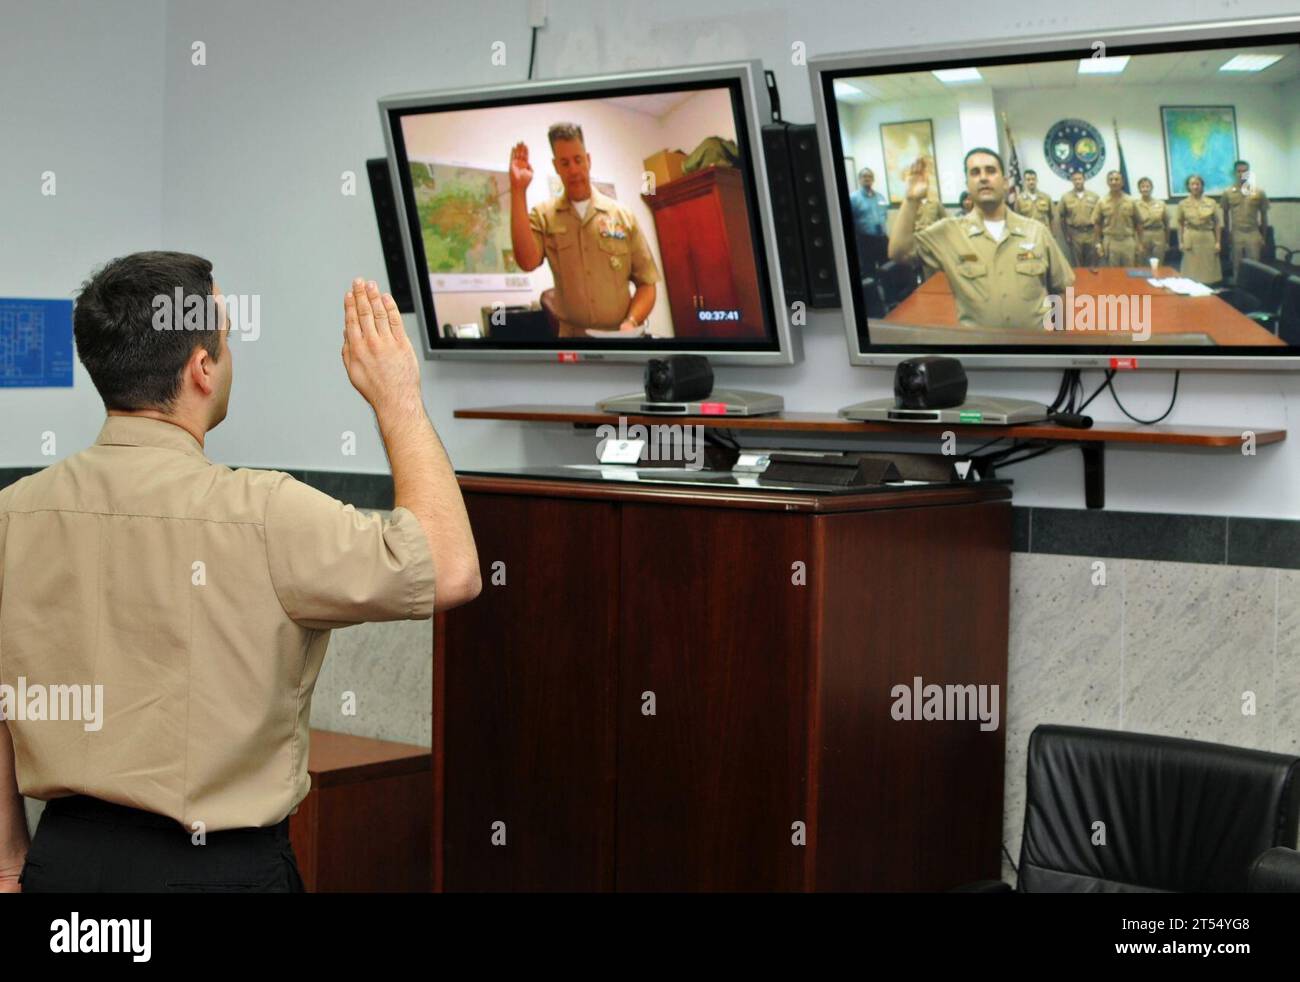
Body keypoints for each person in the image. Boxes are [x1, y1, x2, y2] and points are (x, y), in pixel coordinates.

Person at [0, 254, 482, 893]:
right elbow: (451, 570)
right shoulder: (265, 512)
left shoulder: (14, 514)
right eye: (225, 343)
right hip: (218, 877)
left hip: (65, 871)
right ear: (203, 368)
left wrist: (9, 865)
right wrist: (397, 399)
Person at [887, 147, 1074, 330]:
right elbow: (898, 252)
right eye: (975, 173)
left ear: (1005, 182)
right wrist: (911, 200)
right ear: (967, 184)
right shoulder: (948, 233)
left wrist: (1058, 343)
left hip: (1036, 349)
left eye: (991, 171)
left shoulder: (1036, 231)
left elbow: (1061, 289)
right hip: (980, 354)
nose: (983, 177)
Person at [509, 123, 659, 338]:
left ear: (588, 160)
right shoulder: (544, 216)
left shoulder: (623, 216)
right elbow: (527, 261)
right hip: (573, 343)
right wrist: (518, 190)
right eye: (564, 163)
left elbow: (647, 283)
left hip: (621, 337)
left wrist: (632, 321)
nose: (573, 170)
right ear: (556, 166)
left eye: (578, 160)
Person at [1220, 159, 1269, 282]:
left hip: (1253, 233)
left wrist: (1263, 236)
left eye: (1245, 171)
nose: (1241, 174)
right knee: (1237, 265)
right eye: (1239, 171)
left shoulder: (1259, 192)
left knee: (1255, 266)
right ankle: (1239, 293)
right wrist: (1228, 234)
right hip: (1237, 233)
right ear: (1234, 173)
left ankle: (1254, 293)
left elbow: (1264, 216)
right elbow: (1225, 215)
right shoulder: (1227, 192)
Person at [1178, 174, 1224, 285]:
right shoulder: (1183, 204)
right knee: (1190, 270)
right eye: (1192, 184)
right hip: (1191, 237)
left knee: (1208, 270)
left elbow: (1217, 224)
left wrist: (1218, 242)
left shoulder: (1211, 202)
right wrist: (1180, 242)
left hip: (1207, 237)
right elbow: (1180, 224)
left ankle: (1208, 293)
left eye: (1197, 184)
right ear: (1188, 186)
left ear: (1202, 186)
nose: (1195, 187)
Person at [1092, 170, 1141, 268]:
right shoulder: (1102, 202)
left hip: (1127, 241)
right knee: (1112, 275)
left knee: (1129, 273)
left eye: (1117, 179)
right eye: (1111, 180)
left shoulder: (1131, 201)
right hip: (1110, 242)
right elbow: (1097, 224)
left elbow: (1139, 223)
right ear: (1107, 183)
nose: (1114, 182)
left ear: (1122, 182)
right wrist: (1098, 244)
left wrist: (1140, 243)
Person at [1057, 171, 1100, 266]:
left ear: (1084, 180)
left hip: (1091, 234)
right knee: (1077, 265)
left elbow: (1099, 218)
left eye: (1080, 179)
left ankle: (1092, 281)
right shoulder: (1066, 197)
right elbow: (1061, 217)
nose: (1077, 181)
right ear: (1072, 181)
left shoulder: (1094, 196)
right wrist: (1066, 235)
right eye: (1075, 179)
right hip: (1075, 234)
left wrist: (1098, 236)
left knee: (1092, 264)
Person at [850, 166, 889, 271]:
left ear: (873, 179)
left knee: (886, 268)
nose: (867, 178)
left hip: (882, 239)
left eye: (869, 176)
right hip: (865, 241)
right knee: (869, 270)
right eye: (864, 176)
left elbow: (885, 214)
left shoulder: (881, 197)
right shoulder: (853, 198)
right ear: (859, 179)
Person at [1134, 176, 1170, 268]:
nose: (1145, 189)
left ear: (1151, 188)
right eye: (1142, 187)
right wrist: (1137, 242)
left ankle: (1157, 281)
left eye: (1147, 186)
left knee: (1158, 263)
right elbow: (1132, 224)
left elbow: (1166, 223)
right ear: (1139, 189)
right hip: (1142, 235)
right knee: (1142, 263)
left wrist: (1166, 241)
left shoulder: (1161, 204)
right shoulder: (1135, 204)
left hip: (1158, 234)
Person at [1013, 169, 1054, 233]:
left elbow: (1053, 218)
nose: (1031, 182)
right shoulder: (1019, 199)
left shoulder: (1046, 197)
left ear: (1037, 180)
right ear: (1024, 182)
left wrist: (1053, 234)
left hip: (1044, 233)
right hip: (1028, 233)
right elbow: (1017, 220)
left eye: (1033, 179)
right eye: (1028, 180)